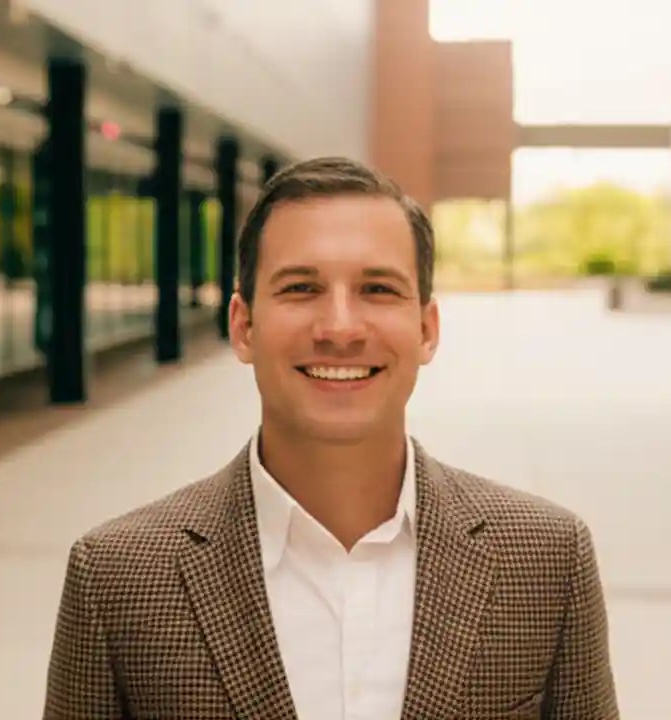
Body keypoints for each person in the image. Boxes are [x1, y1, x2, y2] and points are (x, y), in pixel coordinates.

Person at [42, 157, 619, 719]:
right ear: (243, 327)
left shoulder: (546, 559)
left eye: (378, 289)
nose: (340, 328)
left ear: (426, 329)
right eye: (300, 288)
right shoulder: (118, 576)